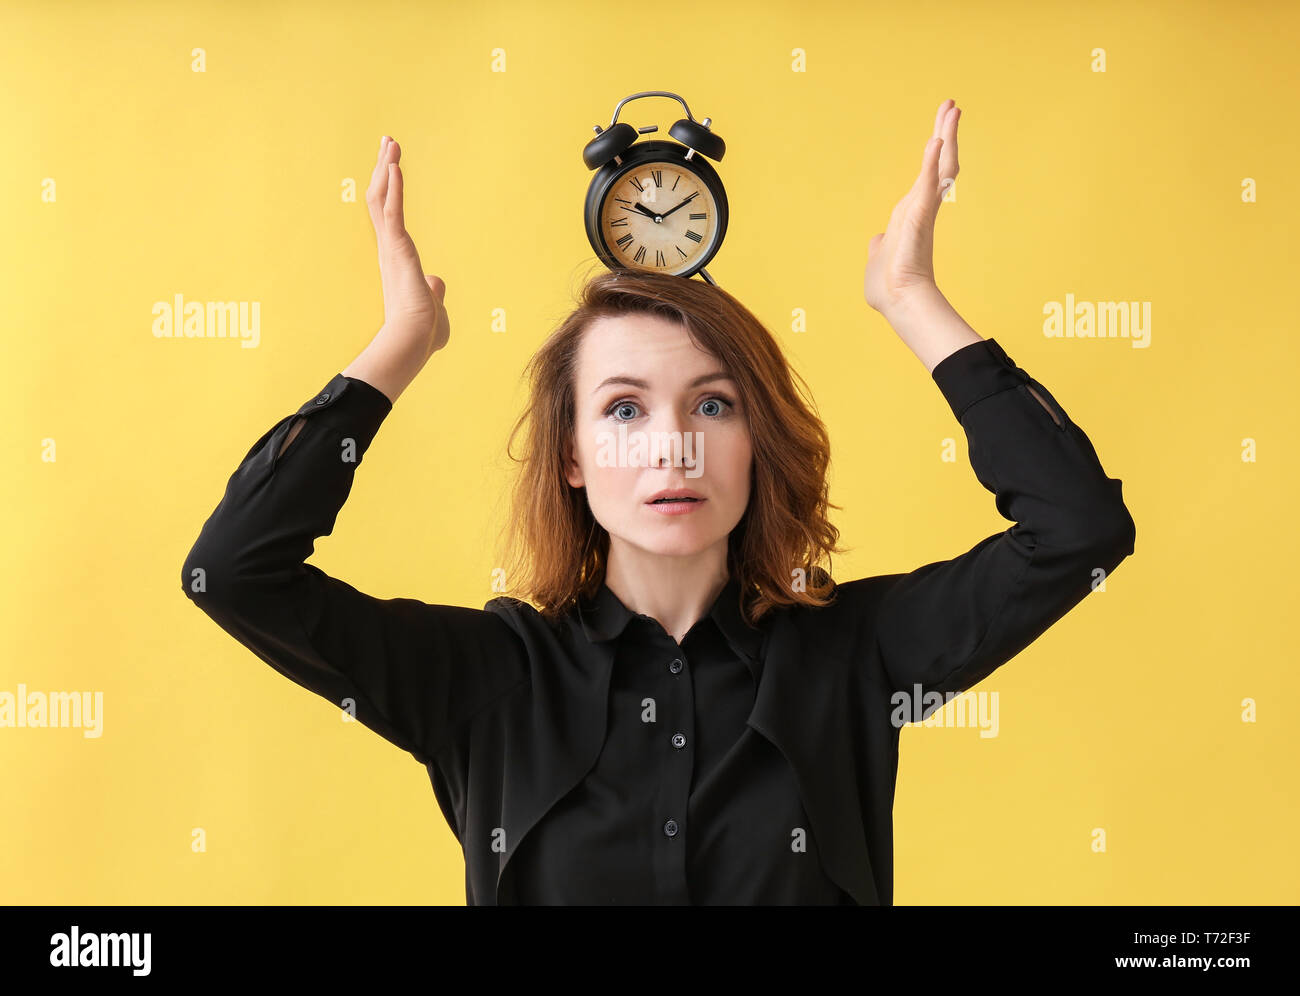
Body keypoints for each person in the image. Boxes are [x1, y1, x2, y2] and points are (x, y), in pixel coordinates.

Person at [181, 101, 1136, 905]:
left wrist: (912, 298)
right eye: (624, 409)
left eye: (712, 405)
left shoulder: (853, 655)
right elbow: (232, 570)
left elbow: (1079, 530)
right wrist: (401, 344)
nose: (674, 446)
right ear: (572, 459)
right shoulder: (487, 680)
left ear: (755, 443)